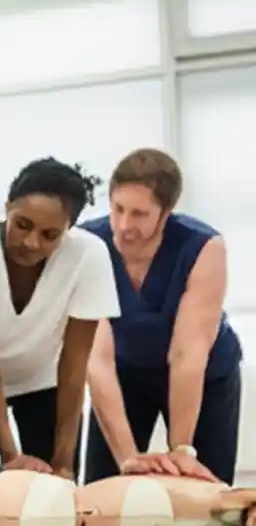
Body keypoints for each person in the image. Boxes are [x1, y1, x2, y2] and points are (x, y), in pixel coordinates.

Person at [0, 158, 119, 481]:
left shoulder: (89, 255)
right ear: (7, 207)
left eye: (50, 234)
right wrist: (10, 456)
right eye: (22, 224)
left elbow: (74, 364)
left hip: (44, 383)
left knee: (55, 492)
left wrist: (64, 464)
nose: (31, 242)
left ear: (69, 230)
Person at [82, 148, 242, 485]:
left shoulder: (203, 247)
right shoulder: (88, 244)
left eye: (140, 214)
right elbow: (96, 359)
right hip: (123, 373)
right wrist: (128, 458)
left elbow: (187, 355)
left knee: (202, 492)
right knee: (105, 491)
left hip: (203, 375)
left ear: (165, 213)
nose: (124, 226)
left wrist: (181, 449)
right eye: (118, 209)